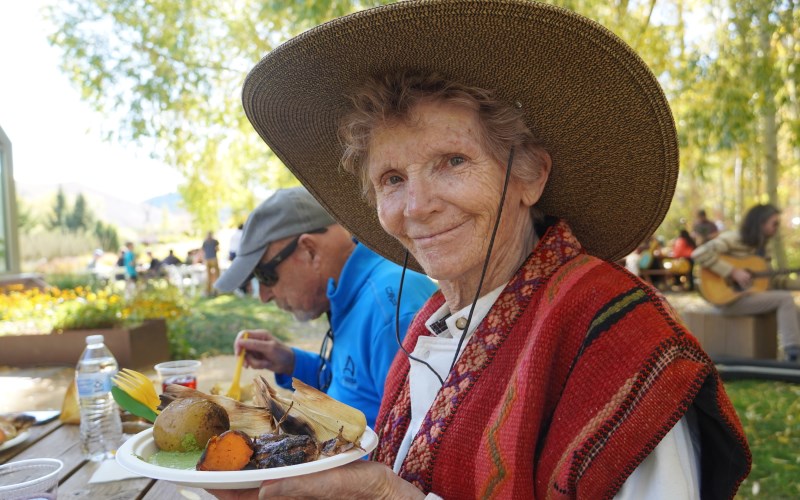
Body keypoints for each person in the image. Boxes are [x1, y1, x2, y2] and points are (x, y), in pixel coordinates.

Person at [216, 1, 750, 498]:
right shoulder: (433, 325)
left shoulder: (614, 337)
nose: (416, 206)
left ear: (529, 176)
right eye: (392, 178)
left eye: (452, 161)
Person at [214, 187, 437, 429]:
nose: (264, 296)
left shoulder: (391, 309)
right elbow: (354, 394)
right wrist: (290, 362)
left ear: (310, 250)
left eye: (265, 276)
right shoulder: (350, 293)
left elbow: (419, 447)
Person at [692, 204, 800, 362]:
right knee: (785, 299)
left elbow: (772, 281)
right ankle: (793, 355)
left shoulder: (763, 248)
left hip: (747, 297)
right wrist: (732, 272)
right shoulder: (734, 239)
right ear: (761, 223)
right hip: (726, 300)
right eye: (774, 223)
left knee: (795, 310)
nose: (777, 228)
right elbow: (699, 253)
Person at [202, 231, 220, 296]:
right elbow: (218, 249)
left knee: (208, 276)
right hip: (213, 259)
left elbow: (203, 251)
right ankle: (215, 290)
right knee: (216, 275)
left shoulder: (205, 242)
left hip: (207, 259)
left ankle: (209, 291)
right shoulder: (214, 241)